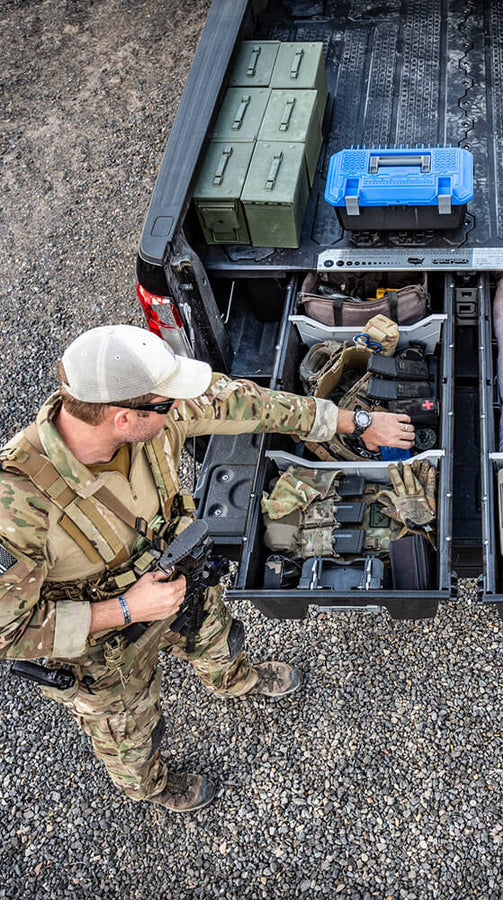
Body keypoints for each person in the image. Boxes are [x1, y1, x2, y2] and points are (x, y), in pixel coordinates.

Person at [0, 324, 415, 811]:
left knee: (218, 638)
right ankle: (151, 787)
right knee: (128, 736)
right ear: (121, 418)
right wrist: (125, 609)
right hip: (103, 648)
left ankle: (235, 680)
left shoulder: (151, 409)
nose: (181, 408)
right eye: (166, 404)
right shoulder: (18, 503)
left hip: (180, 579)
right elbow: (7, 631)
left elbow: (246, 403)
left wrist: (355, 421)